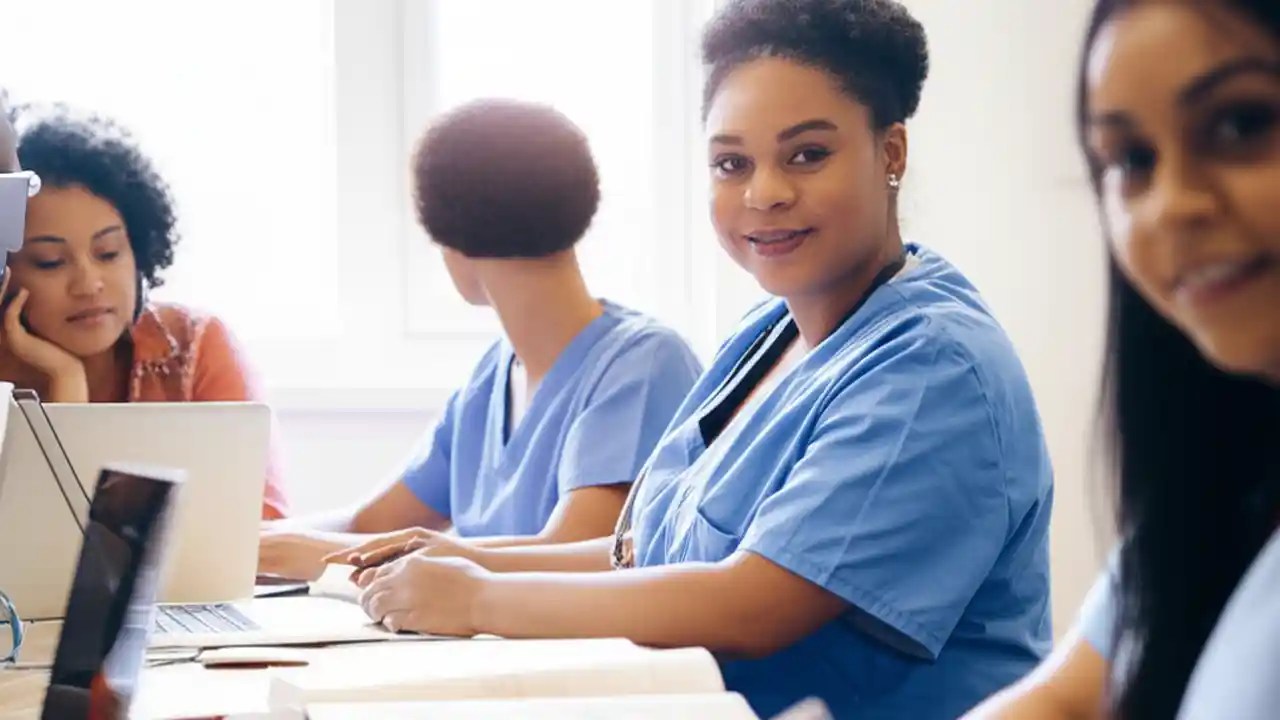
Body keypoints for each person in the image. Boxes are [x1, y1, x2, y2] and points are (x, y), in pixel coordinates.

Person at [331, 2, 1054, 717]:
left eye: (807, 154)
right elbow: (648, 556)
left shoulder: (933, 366)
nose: (764, 193)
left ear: (890, 152)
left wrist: (480, 596)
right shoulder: (767, 334)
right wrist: (471, 560)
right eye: (731, 163)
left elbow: (753, 603)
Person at [966, 1, 1280, 718]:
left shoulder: (939, 354)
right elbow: (1063, 700)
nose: (1171, 206)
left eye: (1242, 124)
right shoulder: (1227, 476)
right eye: (1133, 159)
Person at [258, 100, 703, 581]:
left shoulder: (644, 363)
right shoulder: (491, 377)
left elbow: (569, 555)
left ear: (446, 238)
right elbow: (369, 523)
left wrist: (305, 555)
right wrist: (247, 547)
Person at [0, 104, 288, 519]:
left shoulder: (193, 344)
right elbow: (45, 550)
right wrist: (66, 382)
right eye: (50, 261)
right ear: (8, 271)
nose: (89, 284)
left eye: (109, 252)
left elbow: (265, 531)